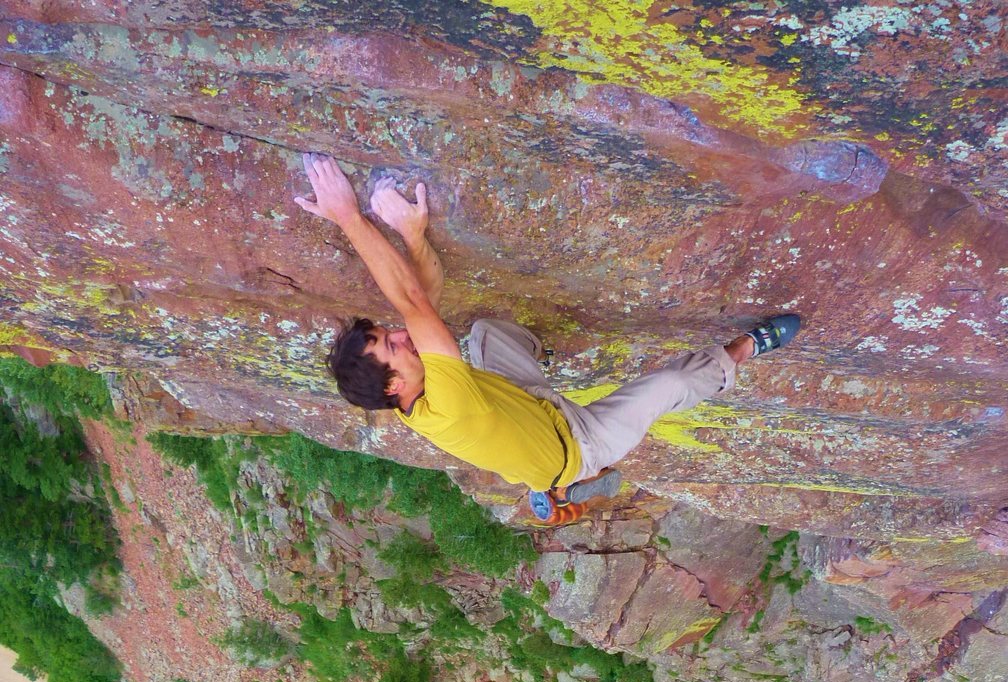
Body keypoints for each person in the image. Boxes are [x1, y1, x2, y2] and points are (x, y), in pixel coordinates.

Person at [296, 154, 801, 527]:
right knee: (668, 385)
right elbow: (413, 302)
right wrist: (349, 217)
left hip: (528, 402)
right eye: (392, 346)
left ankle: (542, 378)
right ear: (391, 387)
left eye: (390, 335)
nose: (402, 337)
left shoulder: (419, 383)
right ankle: (745, 350)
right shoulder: (445, 406)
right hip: (580, 445)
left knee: (483, 333)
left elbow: (424, 299)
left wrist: (413, 235)